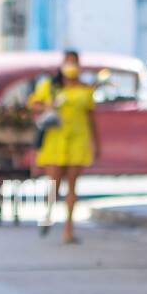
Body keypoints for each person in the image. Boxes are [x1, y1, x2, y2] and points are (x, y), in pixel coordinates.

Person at [28, 50, 99, 243]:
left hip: (78, 139)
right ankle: (47, 215)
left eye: (74, 62)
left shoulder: (86, 89)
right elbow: (33, 105)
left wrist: (95, 144)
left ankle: (68, 230)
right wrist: (48, 106)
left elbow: (91, 117)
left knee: (72, 188)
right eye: (67, 62)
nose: (71, 66)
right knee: (54, 185)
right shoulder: (50, 86)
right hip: (55, 139)